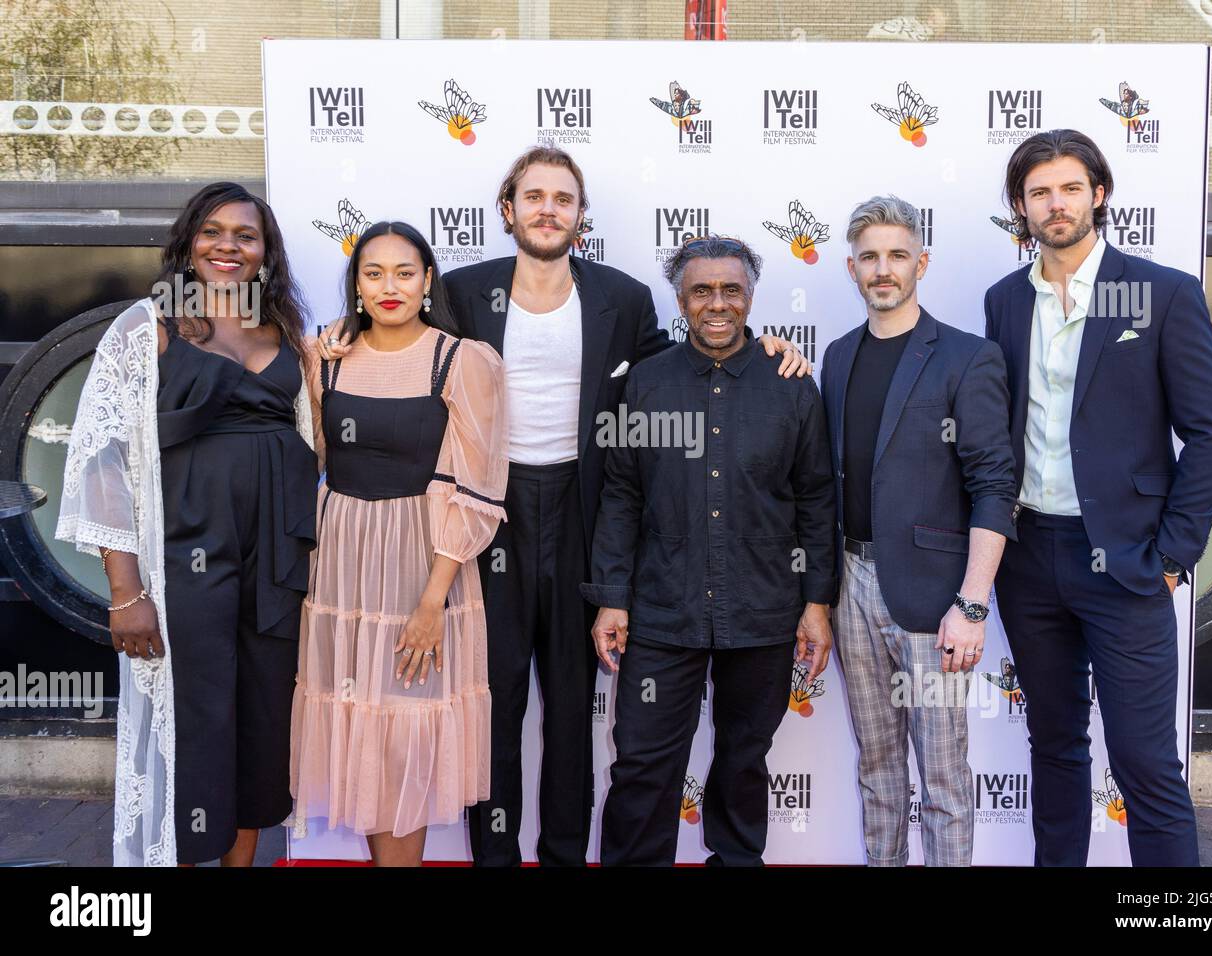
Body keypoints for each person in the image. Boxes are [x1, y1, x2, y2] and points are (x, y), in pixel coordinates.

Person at [317, 146, 810, 866]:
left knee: (574, 707)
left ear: (580, 216)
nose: (549, 209)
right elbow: (404, 337)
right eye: (535, 196)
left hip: (585, 508)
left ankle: (564, 856)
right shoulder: (461, 289)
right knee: (494, 697)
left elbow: (688, 364)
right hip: (485, 510)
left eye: (564, 198)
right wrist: (347, 334)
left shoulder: (624, 297)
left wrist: (767, 347)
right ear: (509, 210)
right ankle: (494, 857)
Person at [983, 129, 1212, 866]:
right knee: (1054, 748)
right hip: (1029, 560)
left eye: (1069, 188)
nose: (1054, 205)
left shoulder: (1160, 292)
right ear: (1021, 208)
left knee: (1146, 765)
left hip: (1127, 563)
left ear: (1098, 194)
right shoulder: (1004, 300)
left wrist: (1172, 556)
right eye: (1038, 193)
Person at [57, 182, 318, 866]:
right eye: (213, 231)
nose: (228, 246)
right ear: (188, 242)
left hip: (276, 564)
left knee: (263, 718)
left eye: (246, 235)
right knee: (197, 717)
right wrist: (126, 592)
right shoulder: (148, 328)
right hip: (184, 561)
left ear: (266, 252)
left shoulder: (286, 330)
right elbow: (100, 459)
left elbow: (316, 443)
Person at [583, 236, 836, 866]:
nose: (716, 303)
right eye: (702, 291)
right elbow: (621, 495)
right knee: (642, 764)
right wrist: (612, 598)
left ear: (750, 297)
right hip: (663, 612)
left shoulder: (792, 386)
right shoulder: (646, 382)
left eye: (731, 290)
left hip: (764, 611)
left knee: (744, 763)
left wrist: (817, 603)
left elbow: (815, 502)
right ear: (680, 299)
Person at [289, 221, 508, 866]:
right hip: (341, 563)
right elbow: (312, 457)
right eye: (374, 273)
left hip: (424, 564)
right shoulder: (319, 356)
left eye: (404, 272)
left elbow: (477, 485)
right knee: (359, 723)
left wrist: (432, 601)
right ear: (355, 284)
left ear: (428, 280)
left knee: (406, 732)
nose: (390, 287)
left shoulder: (463, 360)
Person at [820, 196, 1017, 866]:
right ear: (851, 267)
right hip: (850, 585)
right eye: (870, 257)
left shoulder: (967, 357)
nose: (884, 269)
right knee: (877, 771)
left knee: (942, 778)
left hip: (935, 599)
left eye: (897, 255)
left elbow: (995, 486)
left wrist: (971, 603)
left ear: (921, 263)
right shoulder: (838, 358)